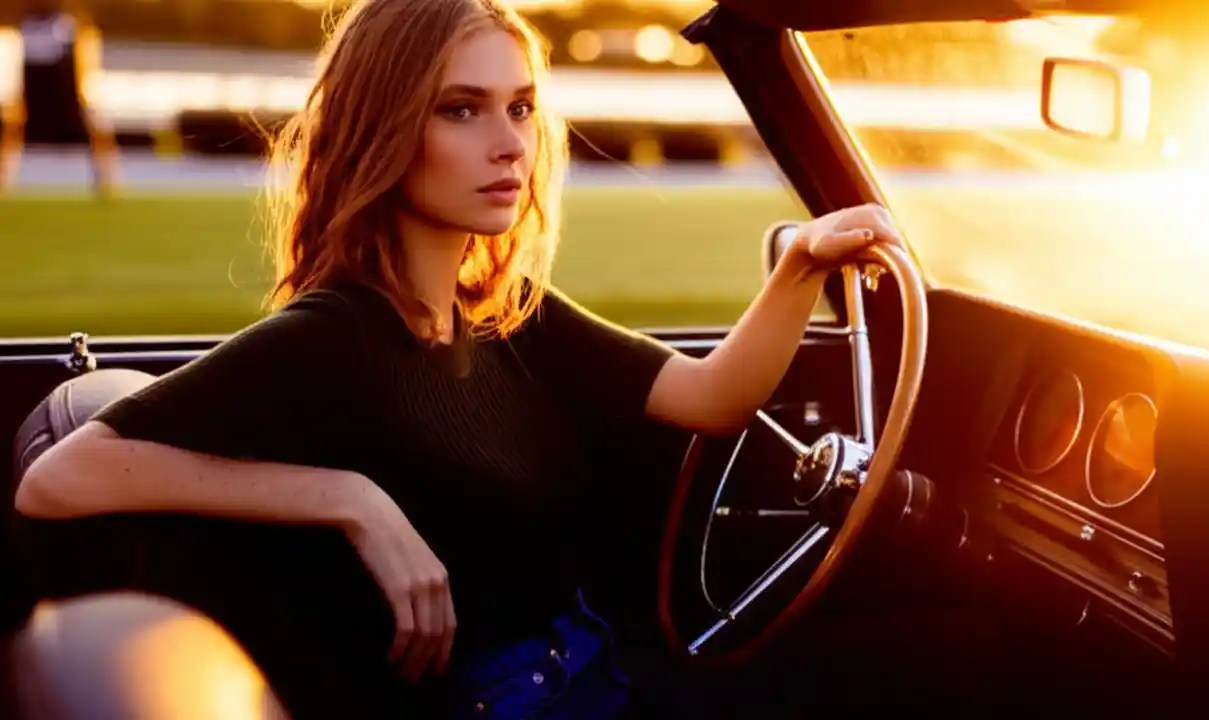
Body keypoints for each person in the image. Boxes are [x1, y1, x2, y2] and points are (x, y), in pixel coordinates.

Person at [11, 0, 901, 716]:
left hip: (593, 663)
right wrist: (346, 499)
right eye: (461, 109)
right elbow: (57, 481)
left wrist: (797, 268)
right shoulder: (333, 335)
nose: (510, 141)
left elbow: (712, 398)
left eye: (519, 107)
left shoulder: (509, 316)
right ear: (388, 126)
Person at [0, 0, 119, 196]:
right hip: (36, 88)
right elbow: (24, 65)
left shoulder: (70, 24)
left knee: (95, 129)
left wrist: (83, 91)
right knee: (12, 128)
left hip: (67, 88)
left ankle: (106, 177)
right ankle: (3, 179)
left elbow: (82, 58)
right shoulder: (28, 26)